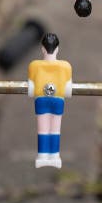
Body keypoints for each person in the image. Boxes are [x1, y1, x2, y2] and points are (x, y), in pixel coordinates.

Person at [28, 33, 72, 169]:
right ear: (57, 49)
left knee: (42, 130)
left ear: (42, 49)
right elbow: (68, 89)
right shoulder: (65, 66)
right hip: (58, 100)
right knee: (55, 130)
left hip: (41, 99)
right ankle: (54, 155)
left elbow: (30, 89)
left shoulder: (34, 66)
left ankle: (42, 155)